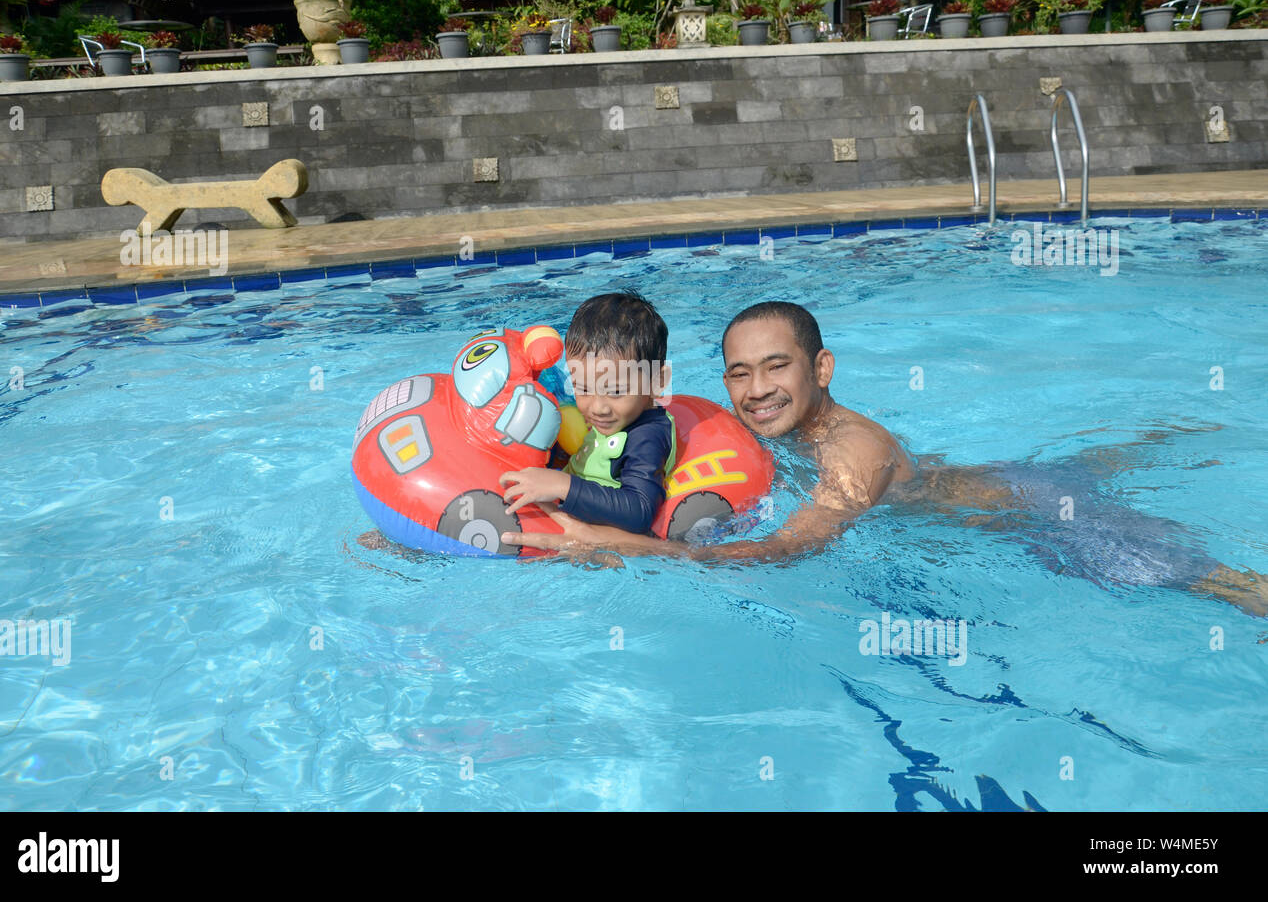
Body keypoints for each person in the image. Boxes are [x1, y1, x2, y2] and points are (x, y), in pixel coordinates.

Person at [502, 302, 1268, 616]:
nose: (755, 390)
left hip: (1023, 519)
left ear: (822, 368)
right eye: (739, 372)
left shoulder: (850, 456)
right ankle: (1156, 439)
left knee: (1193, 581)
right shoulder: (748, 428)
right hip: (993, 477)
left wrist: (614, 544)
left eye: (777, 367)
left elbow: (778, 551)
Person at [498, 291, 676, 535]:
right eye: (582, 388)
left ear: (657, 381)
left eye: (615, 391)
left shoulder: (647, 436)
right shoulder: (616, 417)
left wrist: (563, 485)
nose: (598, 408)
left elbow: (640, 511)